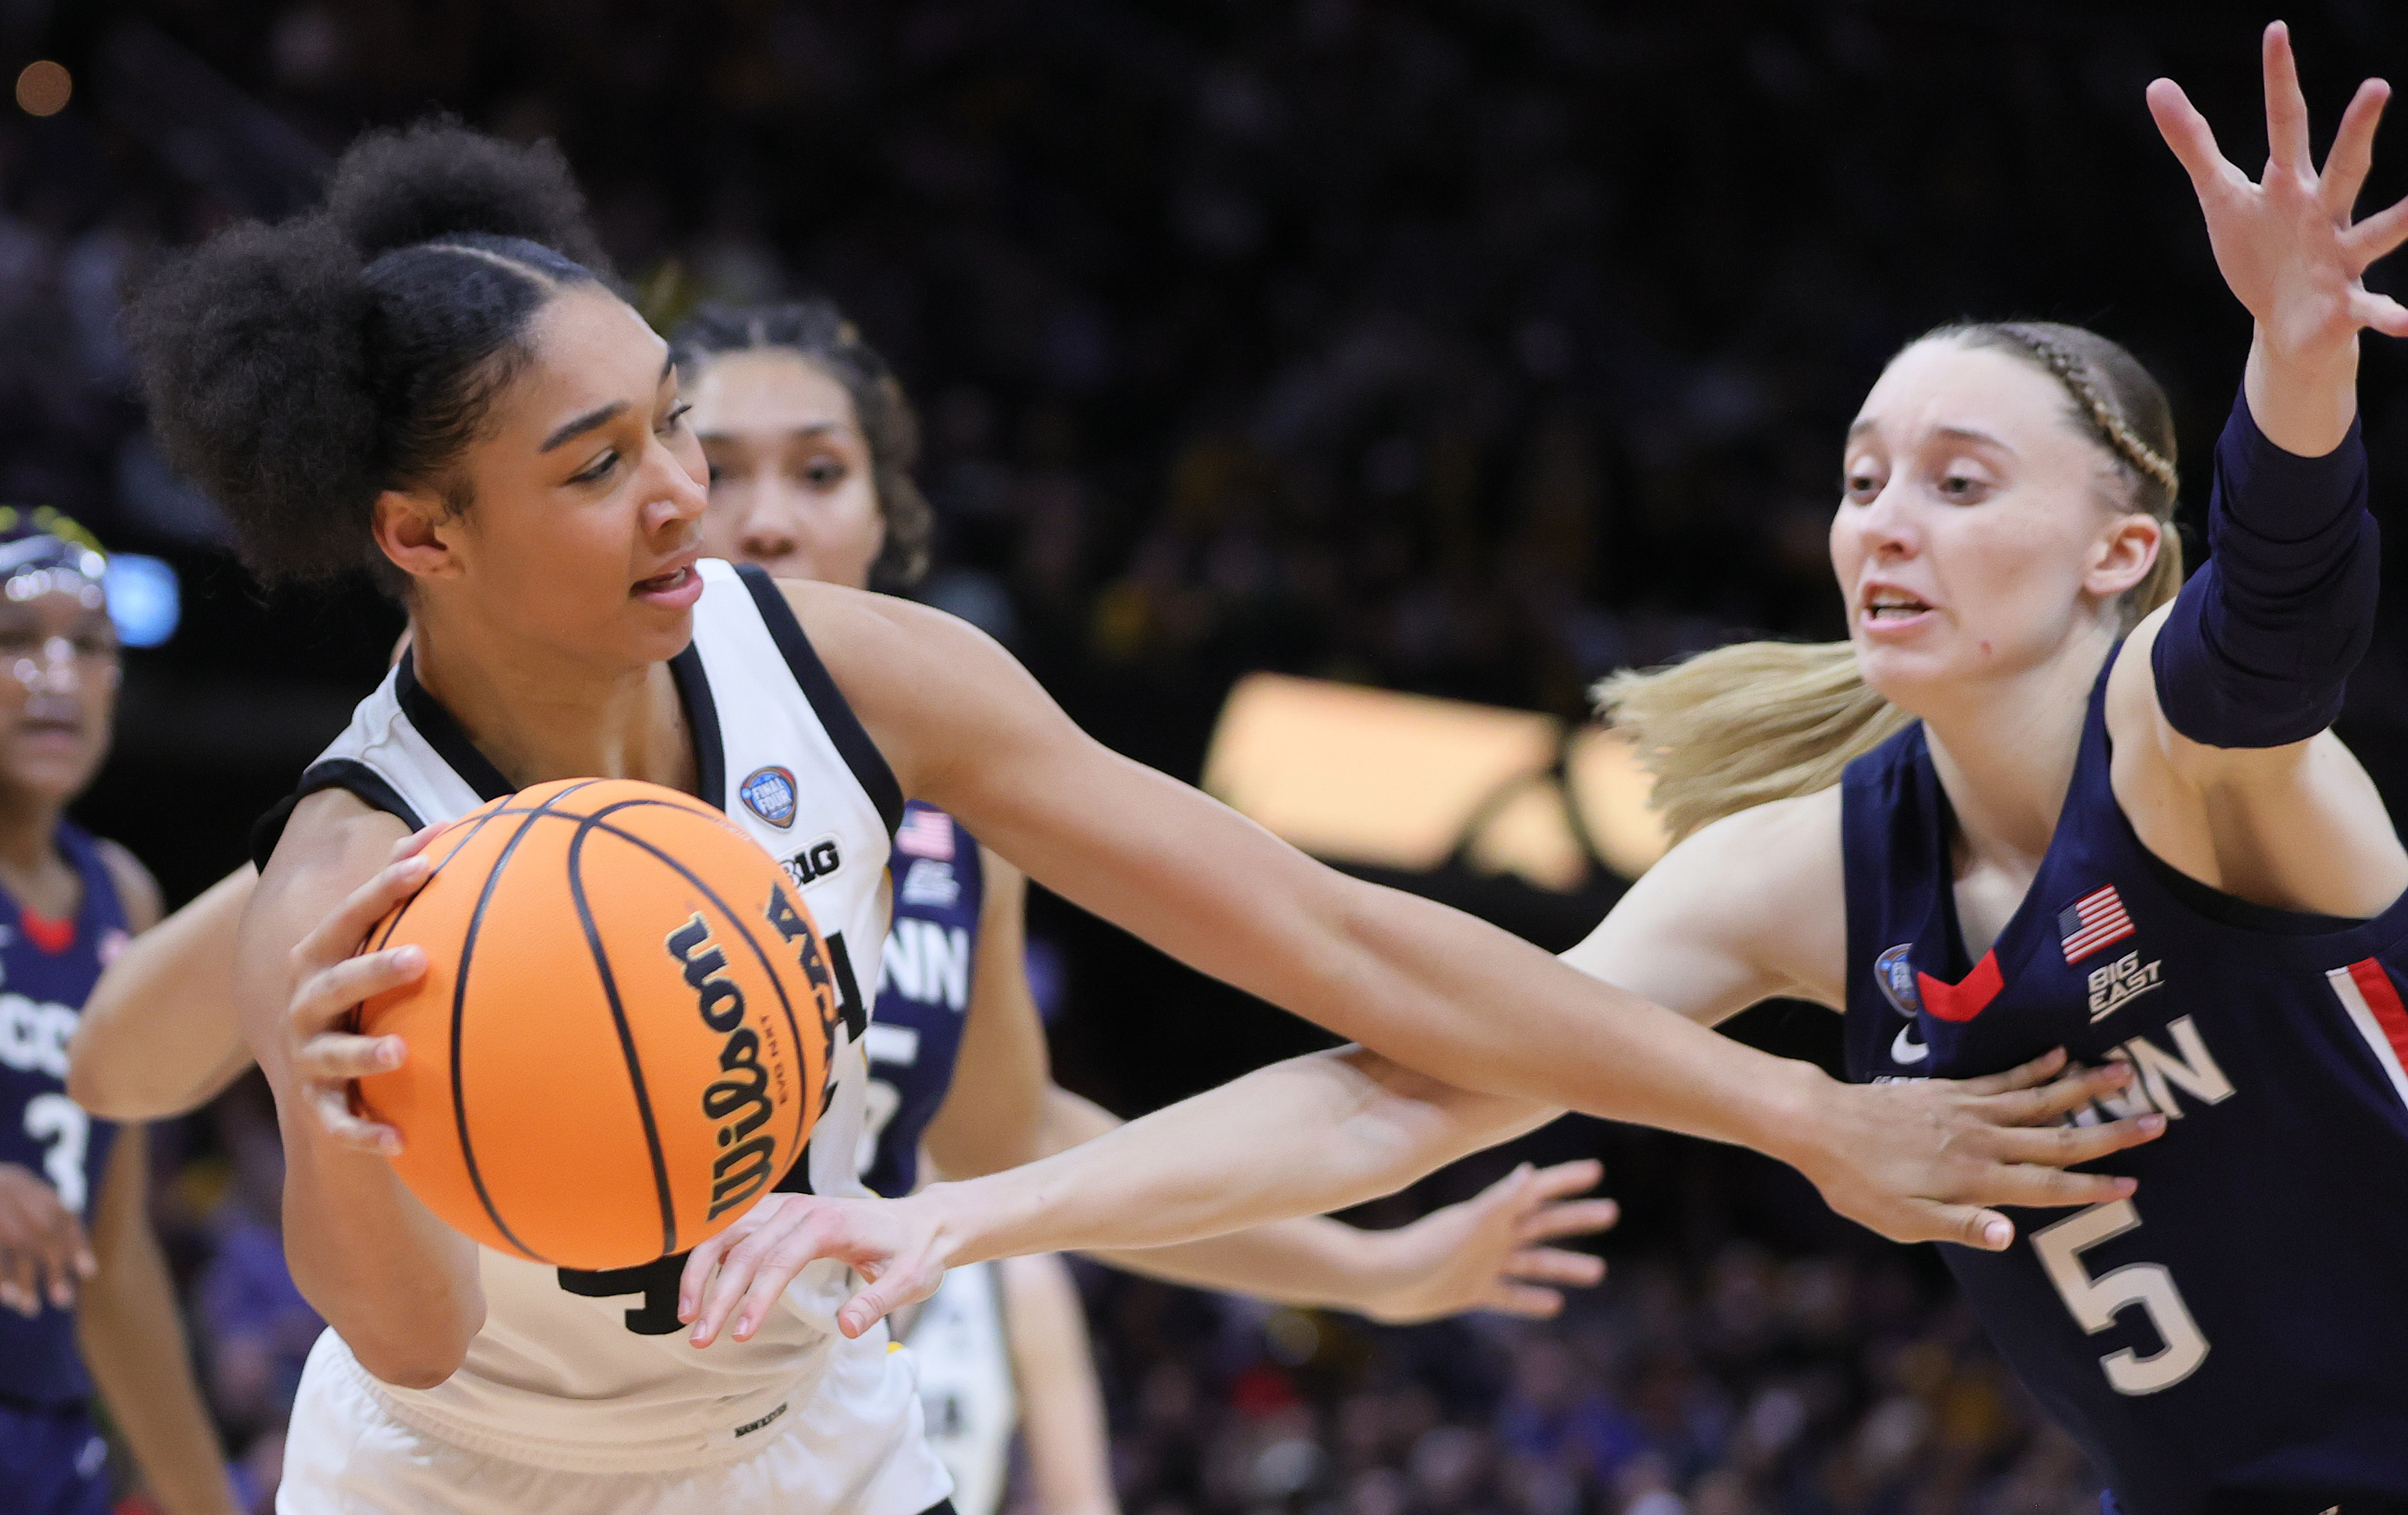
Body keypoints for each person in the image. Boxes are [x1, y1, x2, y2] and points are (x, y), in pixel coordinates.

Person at [122, 123, 2145, 1515]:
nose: (686, 495)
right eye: (600, 465)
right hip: (463, 1476)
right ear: (419, 534)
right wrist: (354, 1139)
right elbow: (404, 1327)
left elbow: (1339, 943)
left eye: (673, 419)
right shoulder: (350, 873)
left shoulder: (858, 674)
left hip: (807, 1439)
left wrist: (1802, 1114)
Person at [700, 26, 2408, 1515]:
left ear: (2118, 552)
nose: (1881, 521)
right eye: (1861, 477)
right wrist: (963, 1220)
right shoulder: (1802, 876)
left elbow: (2272, 623)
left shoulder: (2190, 772)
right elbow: (1399, 1090)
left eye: (1956, 484)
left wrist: (2295, 367)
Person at [73, 297, 1625, 1514]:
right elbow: (125, 1069)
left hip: (841, 1394)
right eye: (660, 460)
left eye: (805, 472)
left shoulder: (937, 790)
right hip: (492, 1454)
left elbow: (1017, 1152)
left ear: (887, 519)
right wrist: (301, 913)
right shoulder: (406, 839)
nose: (732, 510)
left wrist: (1362, 1267)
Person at [0, 512, 241, 1515]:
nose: (57, 672)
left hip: (46, 1436)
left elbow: (117, 1256)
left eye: (89, 645)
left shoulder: (124, 899)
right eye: (15, 642)